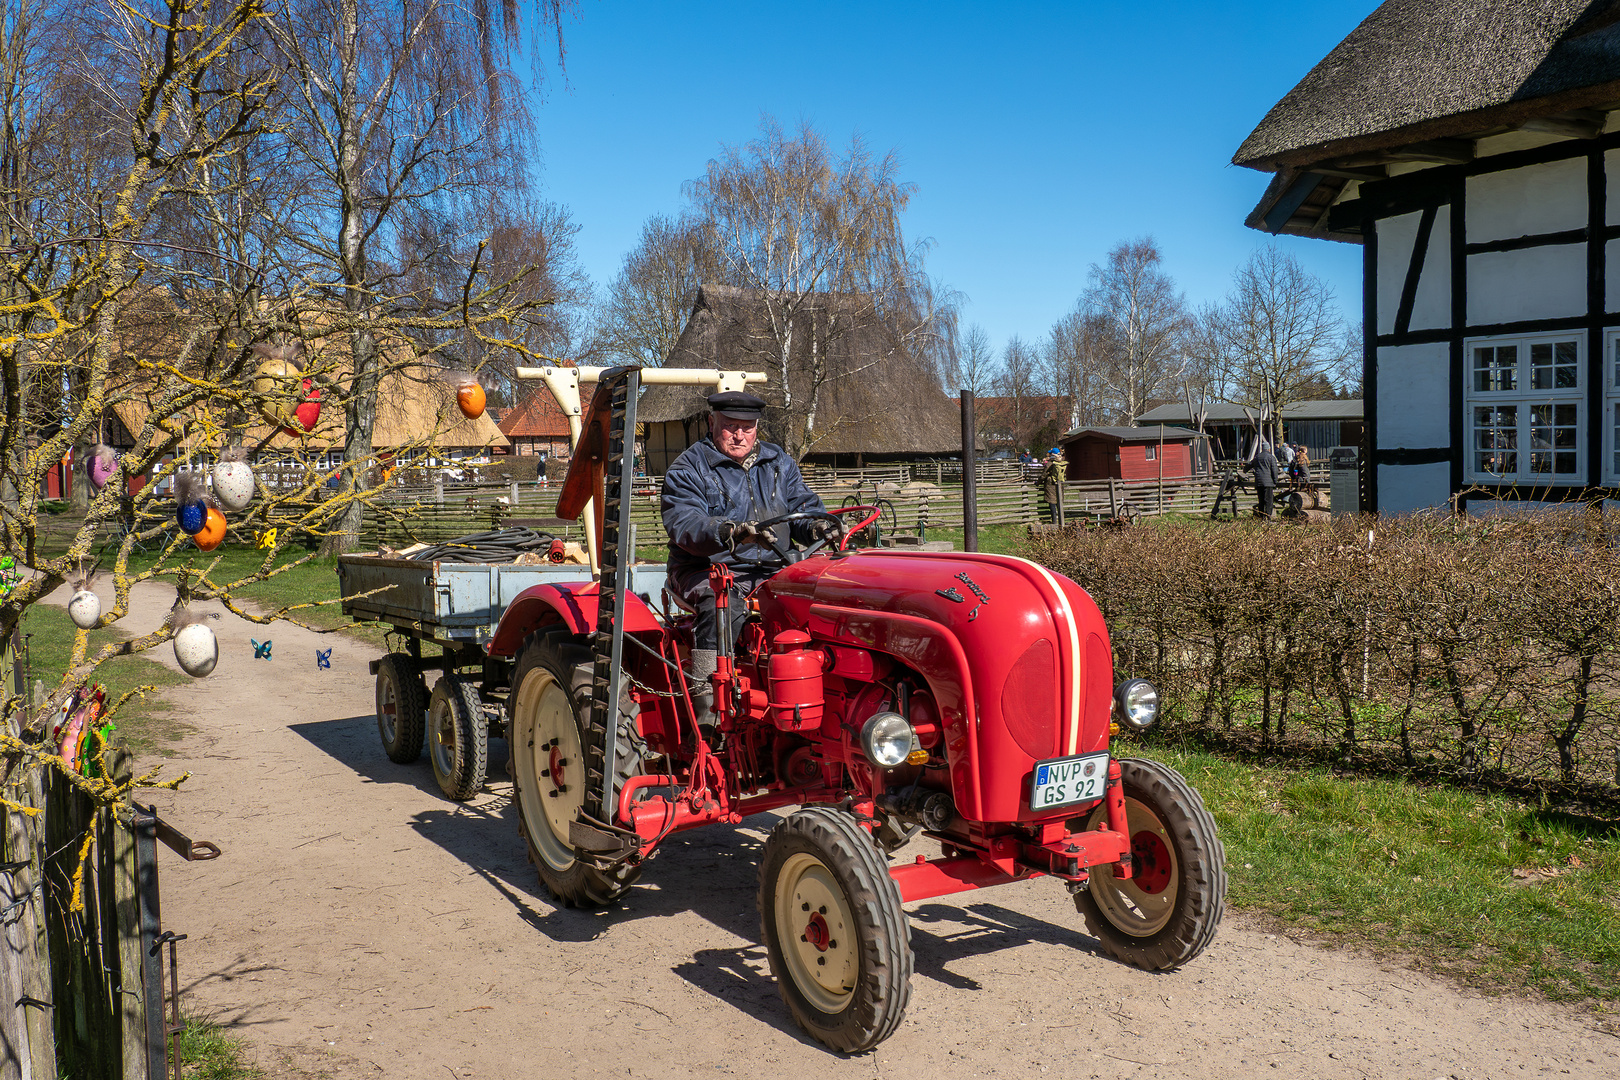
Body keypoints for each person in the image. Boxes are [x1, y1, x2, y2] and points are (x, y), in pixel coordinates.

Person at [661, 391, 832, 724]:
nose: (739, 435)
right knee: (720, 603)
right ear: (712, 423)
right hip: (705, 567)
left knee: (818, 598)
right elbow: (684, 523)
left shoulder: (778, 462)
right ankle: (707, 698)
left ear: (757, 428)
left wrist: (817, 525)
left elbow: (803, 507)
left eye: (747, 427)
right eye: (730, 426)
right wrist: (731, 531)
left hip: (773, 567)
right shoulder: (689, 468)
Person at [1251, 440, 1279, 519]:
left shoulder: (1257, 457)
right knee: (1269, 500)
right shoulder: (1271, 457)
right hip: (1268, 482)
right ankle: (1268, 516)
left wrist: (1244, 470)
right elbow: (1274, 470)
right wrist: (1275, 480)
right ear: (1269, 449)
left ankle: (1262, 516)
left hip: (1259, 482)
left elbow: (1250, 464)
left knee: (1261, 500)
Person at [1041, 449, 1066, 525]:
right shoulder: (1061, 462)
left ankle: (1054, 520)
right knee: (1058, 501)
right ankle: (1061, 520)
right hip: (1059, 483)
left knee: (1052, 502)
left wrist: (1038, 482)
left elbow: (1044, 474)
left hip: (1050, 484)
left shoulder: (1050, 463)